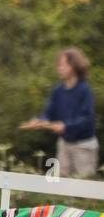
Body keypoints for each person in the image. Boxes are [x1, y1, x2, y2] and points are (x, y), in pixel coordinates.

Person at [20, 48, 98, 179]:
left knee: (85, 187)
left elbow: (87, 119)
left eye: (63, 65)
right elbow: (49, 113)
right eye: (59, 65)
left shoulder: (85, 91)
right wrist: (40, 121)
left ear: (73, 66)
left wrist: (66, 126)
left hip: (84, 146)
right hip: (65, 144)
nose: (59, 68)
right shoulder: (58, 90)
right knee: (62, 184)